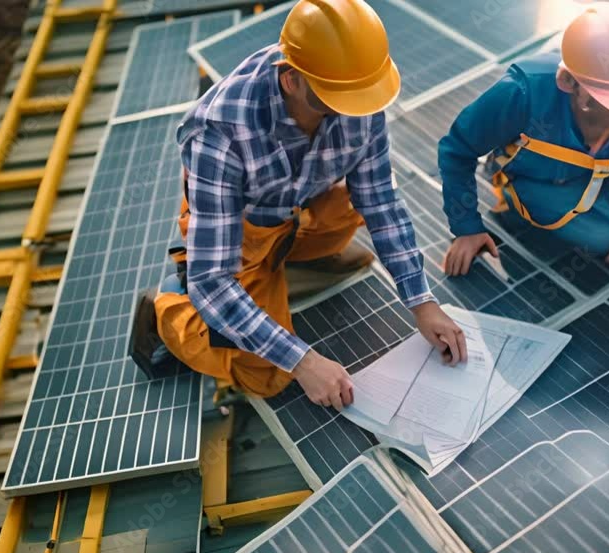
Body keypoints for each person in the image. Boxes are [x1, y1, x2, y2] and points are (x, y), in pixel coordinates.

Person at [147, 0, 466, 411]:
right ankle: (172, 312)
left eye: (360, 95)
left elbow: (381, 202)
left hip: (292, 209)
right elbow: (214, 281)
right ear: (290, 80)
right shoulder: (219, 133)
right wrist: (303, 360)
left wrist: (422, 302)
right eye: (338, 97)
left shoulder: (356, 92)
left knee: (352, 203)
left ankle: (289, 263)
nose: (353, 108)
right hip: (240, 238)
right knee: (267, 374)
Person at [438, 2, 609, 276]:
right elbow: (457, 150)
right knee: (605, 238)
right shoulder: (522, 94)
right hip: (534, 174)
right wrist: (467, 228)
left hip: (594, 171)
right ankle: (513, 206)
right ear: (568, 81)